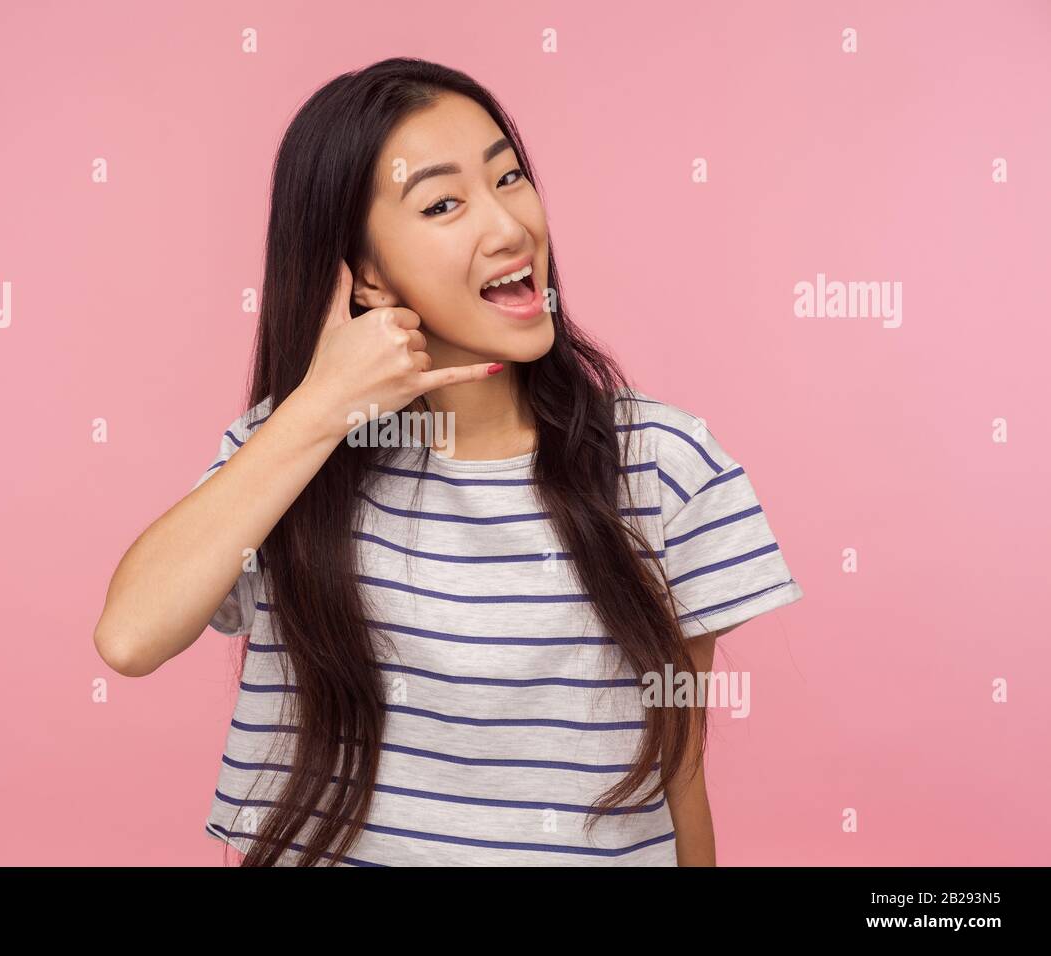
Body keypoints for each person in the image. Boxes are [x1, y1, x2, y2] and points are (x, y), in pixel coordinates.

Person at [94, 57, 803, 867]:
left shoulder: (662, 465)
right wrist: (321, 409)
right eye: (442, 203)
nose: (508, 228)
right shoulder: (288, 454)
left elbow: (678, 775)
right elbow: (129, 637)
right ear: (364, 273)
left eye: (509, 178)